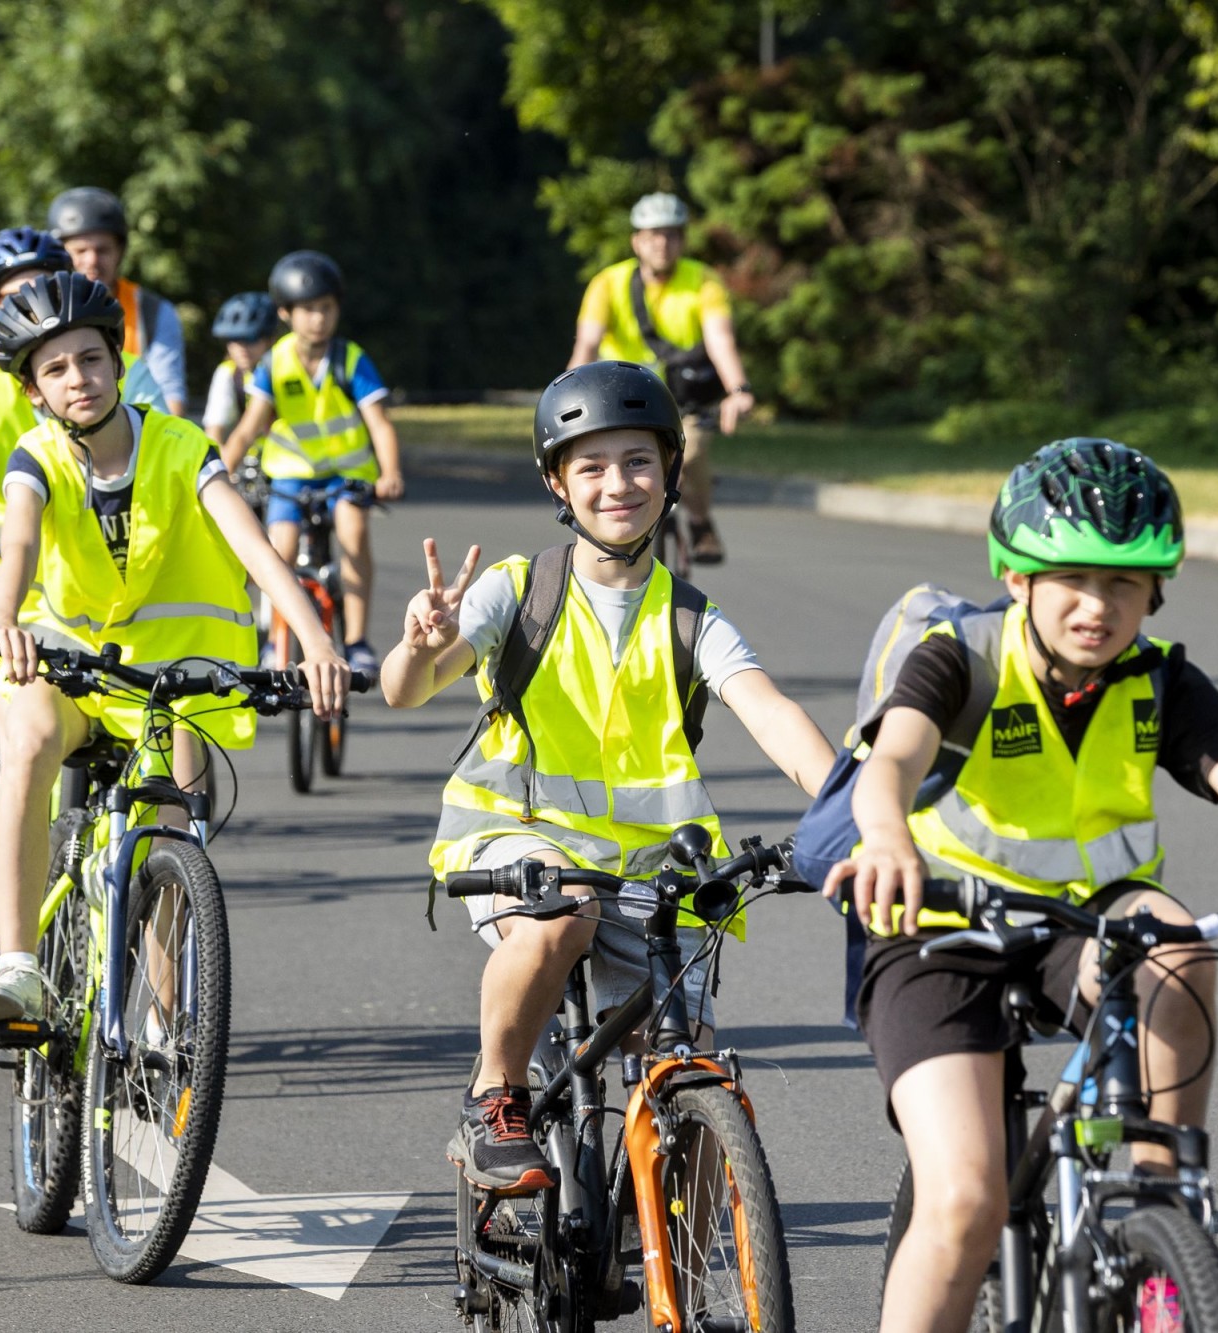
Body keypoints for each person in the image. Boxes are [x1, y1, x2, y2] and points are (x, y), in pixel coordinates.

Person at [824, 439, 1218, 1333]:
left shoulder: (1162, 681)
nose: (1097, 605)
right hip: (937, 924)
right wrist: (886, 839)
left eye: (1125, 583)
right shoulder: (962, 656)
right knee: (963, 1202)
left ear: (1157, 590)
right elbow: (897, 758)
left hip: (1092, 923)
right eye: (1069, 576)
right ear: (1016, 576)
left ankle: (1163, 1199)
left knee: (1180, 941)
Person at [380, 361, 836, 1192]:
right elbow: (405, 690)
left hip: (652, 874)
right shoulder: (518, 589)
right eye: (590, 465)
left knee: (692, 1093)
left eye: (636, 461)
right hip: (517, 840)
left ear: (669, 472)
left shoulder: (692, 615)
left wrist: (852, 803)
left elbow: (769, 711)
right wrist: (419, 640)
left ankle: (687, 1280)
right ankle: (495, 1098)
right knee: (561, 915)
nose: (616, 483)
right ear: (558, 480)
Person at [0, 271, 350, 1031]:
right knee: (31, 740)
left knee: (172, 834)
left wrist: (316, 641)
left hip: (169, 680)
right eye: (56, 369)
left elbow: (255, 545)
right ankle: (15, 962)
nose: (79, 378)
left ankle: (169, 1032)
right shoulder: (36, 458)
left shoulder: (178, 445)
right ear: (35, 391)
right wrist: (3, 617)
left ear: (118, 361)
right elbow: (18, 544)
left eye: (91, 359)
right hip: (62, 666)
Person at [0, 226, 169, 995]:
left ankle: (172, 998)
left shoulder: (100, 370)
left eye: (41, 288)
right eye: (7, 298)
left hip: (102, 575)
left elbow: (165, 437)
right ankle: (7, 936)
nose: (25, 306)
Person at [221, 250, 404, 677]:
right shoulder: (274, 362)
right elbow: (249, 428)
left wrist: (390, 473)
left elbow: (379, 423)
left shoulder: (351, 359)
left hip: (347, 475)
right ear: (285, 313)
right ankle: (275, 641)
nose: (318, 319)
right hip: (290, 474)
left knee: (353, 532)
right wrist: (221, 472)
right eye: (307, 311)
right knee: (278, 548)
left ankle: (357, 641)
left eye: (326, 309)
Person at [567, 192, 755, 566]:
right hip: (618, 401)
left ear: (682, 240)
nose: (662, 243)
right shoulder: (608, 283)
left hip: (682, 399)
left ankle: (700, 521)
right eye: (652, 234)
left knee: (693, 449)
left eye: (671, 234)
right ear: (637, 240)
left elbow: (720, 340)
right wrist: (568, 393)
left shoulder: (703, 281)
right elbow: (586, 345)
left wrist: (738, 390)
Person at [45, 186, 189, 417]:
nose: (92, 260)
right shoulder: (40, 314)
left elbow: (170, 397)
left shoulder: (153, 312)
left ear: (120, 251)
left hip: (136, 439)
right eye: (80, 250)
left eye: (103, 250)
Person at [203, 292, 282, 451]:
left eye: (251, 339)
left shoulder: (285, 367)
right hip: (248, 465)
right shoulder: (229, 374)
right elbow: (214, 433)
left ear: (270, 339)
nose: (241, 348)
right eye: (233, 339)